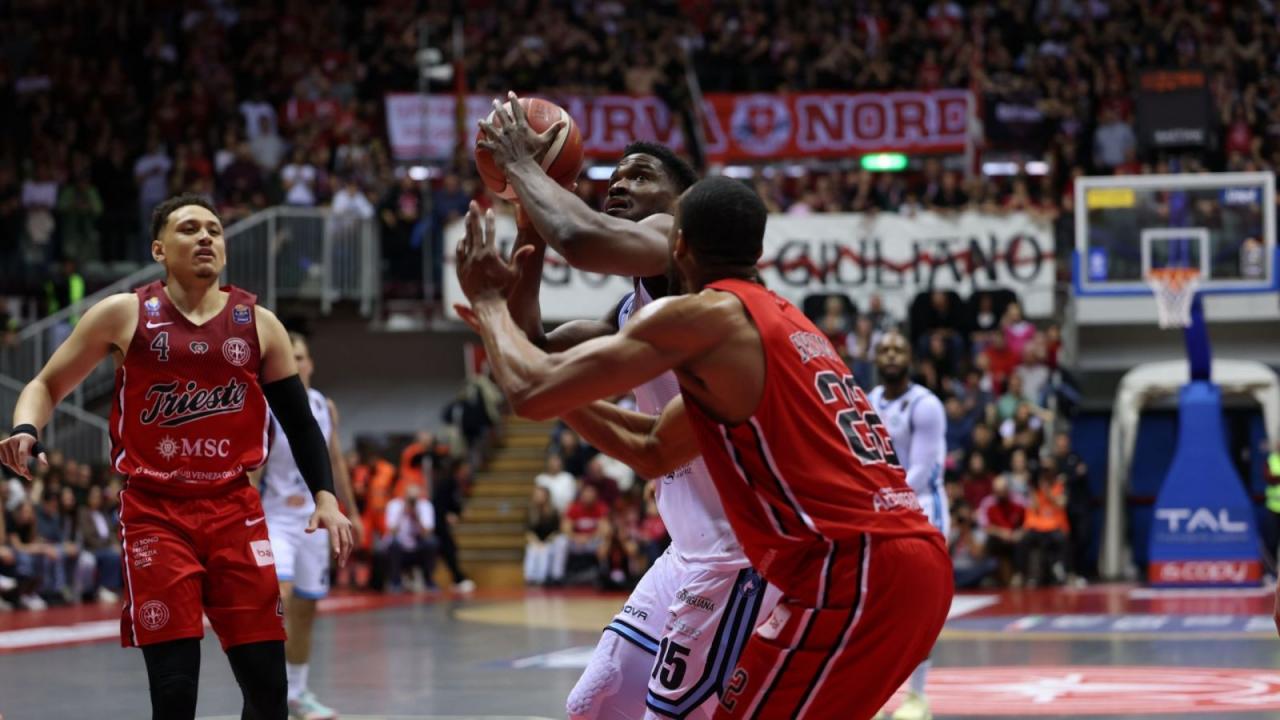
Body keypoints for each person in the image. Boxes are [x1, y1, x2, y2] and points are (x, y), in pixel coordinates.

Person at [454, 175, 952, 719]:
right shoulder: (784, 324)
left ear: (679, 245)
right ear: (757, 252)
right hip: (901, 563)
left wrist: (488, 305)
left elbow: (534, 388)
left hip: (850, 569)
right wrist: (508, 341)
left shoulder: (707, 318)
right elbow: (649, 447)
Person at [479, 92, 778, 719]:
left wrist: (523, 167)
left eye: (641, 175)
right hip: (686, 550)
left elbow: (583, 239)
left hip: (739, 554)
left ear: (684, 209)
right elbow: (532, 349)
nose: (619, 184)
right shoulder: (629, 313)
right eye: (613, 176)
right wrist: (527, 231)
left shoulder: (685, 257)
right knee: (592, 705)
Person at [0, 194, 353, 720]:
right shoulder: (125, 313)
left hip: (235, 509)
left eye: (215, 229)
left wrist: (326, 496)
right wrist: (26, 427)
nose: (207, 237)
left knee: (267, 689)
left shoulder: (259, 323)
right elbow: (47, 383)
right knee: (174, 690)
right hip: (156, 514)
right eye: (190, 229)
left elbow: (301, 424)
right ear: (160, 249)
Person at [250, 331, 364, 720]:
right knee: (276, 598)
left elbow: (334, 462)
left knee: (306, 609)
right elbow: (255, 467)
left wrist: (353, 511)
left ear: (310, 363)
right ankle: (269, 690)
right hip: (275, 518)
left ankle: (296, 692)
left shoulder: (322, 406)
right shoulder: (267, 407)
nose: (295, 363)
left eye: (301, 357)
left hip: (314, 520)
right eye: (290, 356)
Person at [867, 330, 948, 720]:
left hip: (922, 514)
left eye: (899, 348)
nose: (892, 354)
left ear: (911, 357)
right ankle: (878, 696)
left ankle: (917, 698)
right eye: (884, 349)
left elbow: (920, 470)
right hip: (881, 514)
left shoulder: (926, 405)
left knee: (919, 611)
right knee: (877, 611)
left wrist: (878, 498)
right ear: (875, 358)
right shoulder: (867, 402)